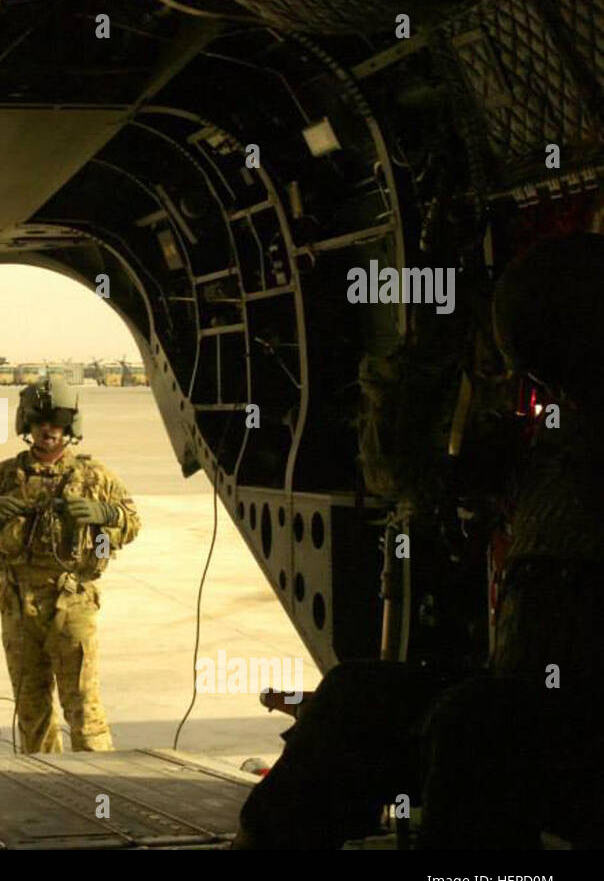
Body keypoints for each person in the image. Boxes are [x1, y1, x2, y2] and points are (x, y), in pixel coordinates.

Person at [234, 234, 604, 849]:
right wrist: (432, 341)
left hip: (565, 728)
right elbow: (403, 473)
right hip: (537, 711)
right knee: (359, 694)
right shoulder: (552, 450)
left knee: (477, 721)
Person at [0, 375, 139, 753]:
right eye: (40, 422)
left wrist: (102, 513)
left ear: (70, 428)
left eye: (56, 423)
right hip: (18, 602)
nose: (48, 431)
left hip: (71, 601)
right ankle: (43, 779)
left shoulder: (94, 477)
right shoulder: (3, 476)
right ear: (27, 425)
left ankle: (102, 788)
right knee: (30, 707)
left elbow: (131, 523)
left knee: (83, 706)